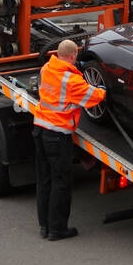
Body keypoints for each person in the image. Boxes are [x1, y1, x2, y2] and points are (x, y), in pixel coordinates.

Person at [33, 39, 105, 241]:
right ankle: (58, 230)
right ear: (74, 56)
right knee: (61, 183)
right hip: (57, 136)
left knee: (44, 180)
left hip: (39, 129)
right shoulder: (71, 81)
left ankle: (44, 226)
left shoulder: (47, 68)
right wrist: (104, 89)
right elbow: (94, 96)